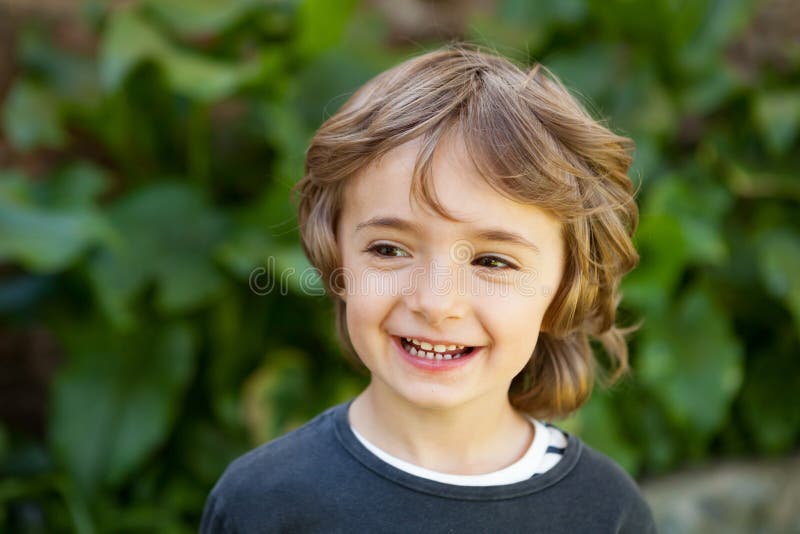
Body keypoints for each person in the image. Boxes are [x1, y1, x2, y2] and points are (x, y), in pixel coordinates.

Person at [201, 46, 656, 533]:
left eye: (492, 260)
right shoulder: (263, 502)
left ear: (563, 288)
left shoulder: (606, 512)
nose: (436, 304)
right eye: (389, 250)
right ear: (337, 259)